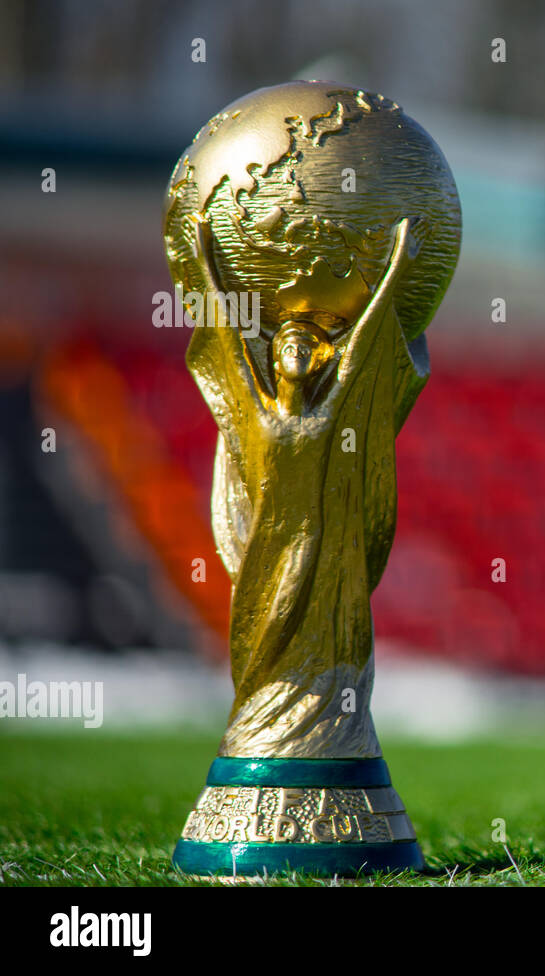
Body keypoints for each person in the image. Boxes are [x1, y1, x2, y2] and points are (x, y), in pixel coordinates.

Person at [186, 215, 419, 758]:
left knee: (334, 645)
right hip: (266, 549)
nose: (292, 351)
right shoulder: (257, 415)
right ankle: (262, 738)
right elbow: (227, 336)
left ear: (318, 359)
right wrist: (206, 265)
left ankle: (326, 738)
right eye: (284, 345)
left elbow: (360, 349)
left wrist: (397, 268)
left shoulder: (330, 415)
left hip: (330, 552)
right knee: (260, 649)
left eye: (304, 347)